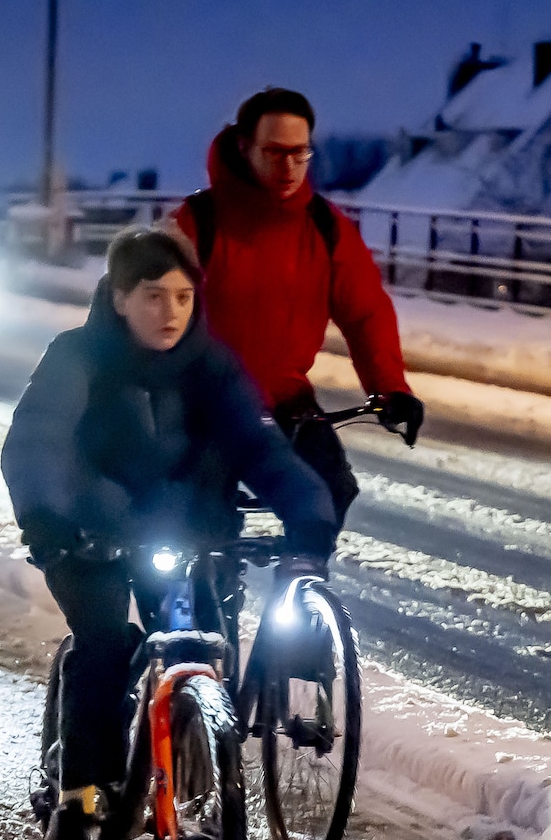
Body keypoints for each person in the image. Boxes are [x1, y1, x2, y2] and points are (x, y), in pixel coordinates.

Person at [2, 228, 337, 840]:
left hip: (185, 535)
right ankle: (77, 798)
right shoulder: (78, 357)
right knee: (105, 643)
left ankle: (195, 773)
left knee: (202, 647)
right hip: (86, 535)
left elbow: (259, 447)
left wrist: (307, 516)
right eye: (154, 296)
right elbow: (37, 442)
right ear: (120, 298)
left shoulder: (212, 367)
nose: (172, 313)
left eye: (183, 296)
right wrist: (47, 518)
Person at [171, 87, 424, 527]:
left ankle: (299, 581)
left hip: (286, 404)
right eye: (273, 152)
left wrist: (390, 389)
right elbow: (144, 312)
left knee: (331, 493)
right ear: (244, 147)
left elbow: (365, 313)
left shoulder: (326, 228)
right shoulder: (196, 224)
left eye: (300, 153)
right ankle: (209, 583)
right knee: (201, 518)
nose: (288, 167)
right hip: (203, 405)